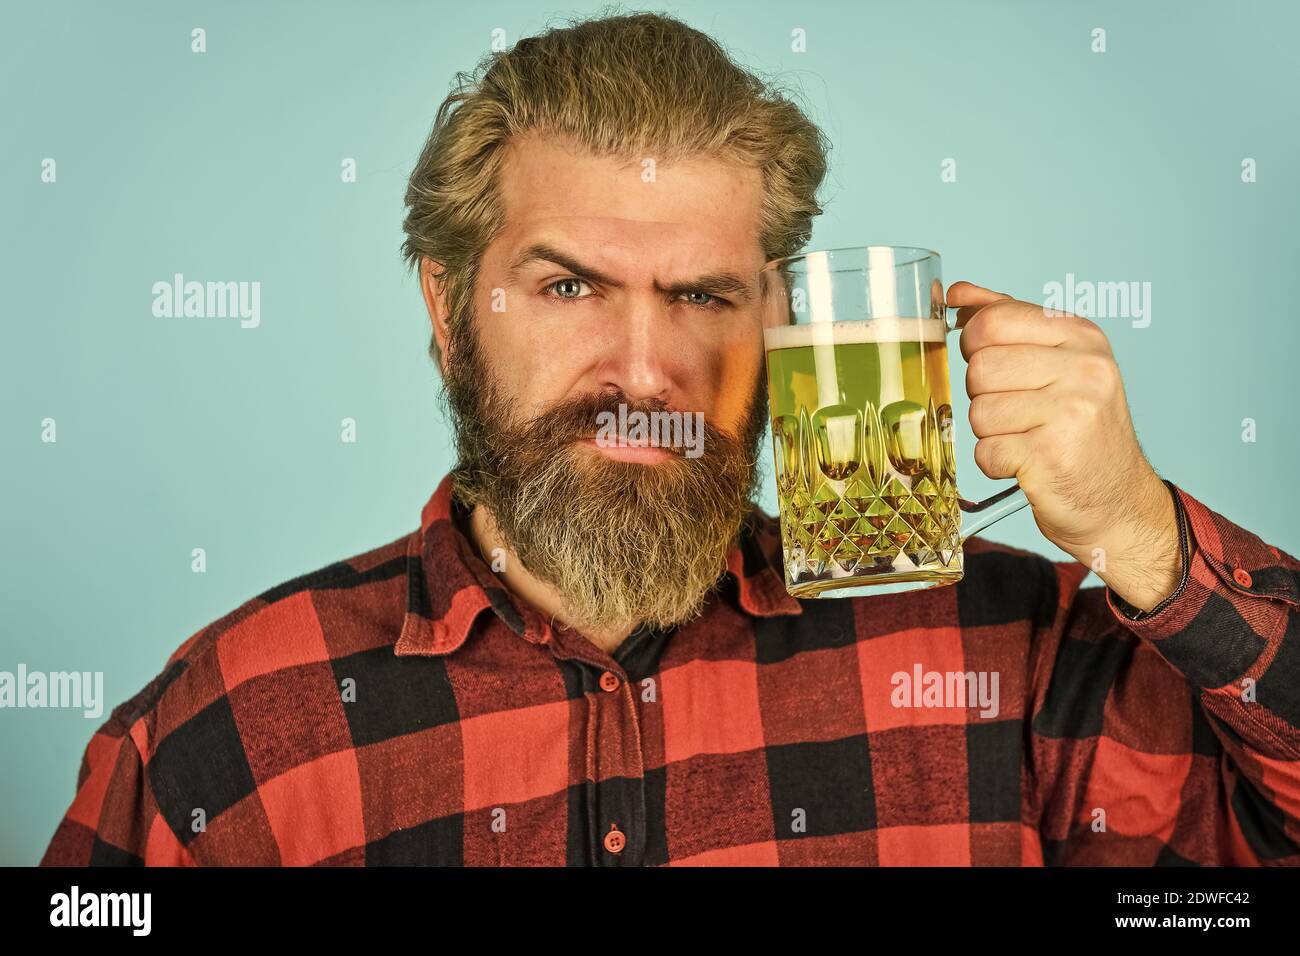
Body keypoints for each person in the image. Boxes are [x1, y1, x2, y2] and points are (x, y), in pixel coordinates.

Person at [42, 11, 1298, 867]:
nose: (643, 370)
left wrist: (1139, 531)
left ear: (776, 319)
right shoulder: (237, 725)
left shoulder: (1007, 665)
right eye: (569, 287)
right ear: (444, 308)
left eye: (699, 297)